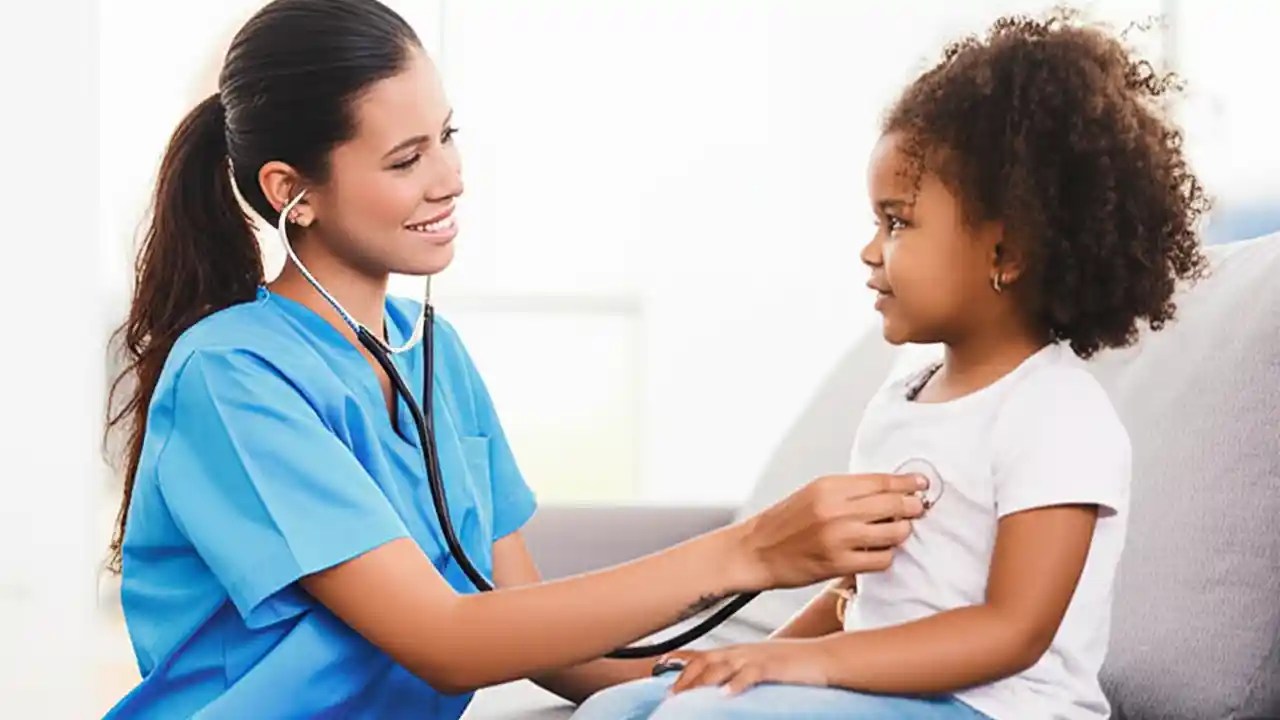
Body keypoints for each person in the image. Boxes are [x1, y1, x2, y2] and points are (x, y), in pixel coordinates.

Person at [101, 1, 928, 717]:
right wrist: (750, 551)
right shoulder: (233, 376)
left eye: (446, 136)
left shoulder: (434, 355)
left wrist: (815, 634)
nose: (450, 178)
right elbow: (447, 643)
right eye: (406, 159)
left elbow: (547, 646)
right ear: (292, 192)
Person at [571, 9, 1208, 720]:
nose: (870, 250)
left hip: (991, 708)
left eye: (897, 221)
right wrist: (748, 663)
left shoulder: (1056, 412)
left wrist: (800, 665)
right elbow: (857, 597)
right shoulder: (902, 400)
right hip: (886, 695)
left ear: (1006, 252)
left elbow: (1013, 631)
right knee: (619, 709)